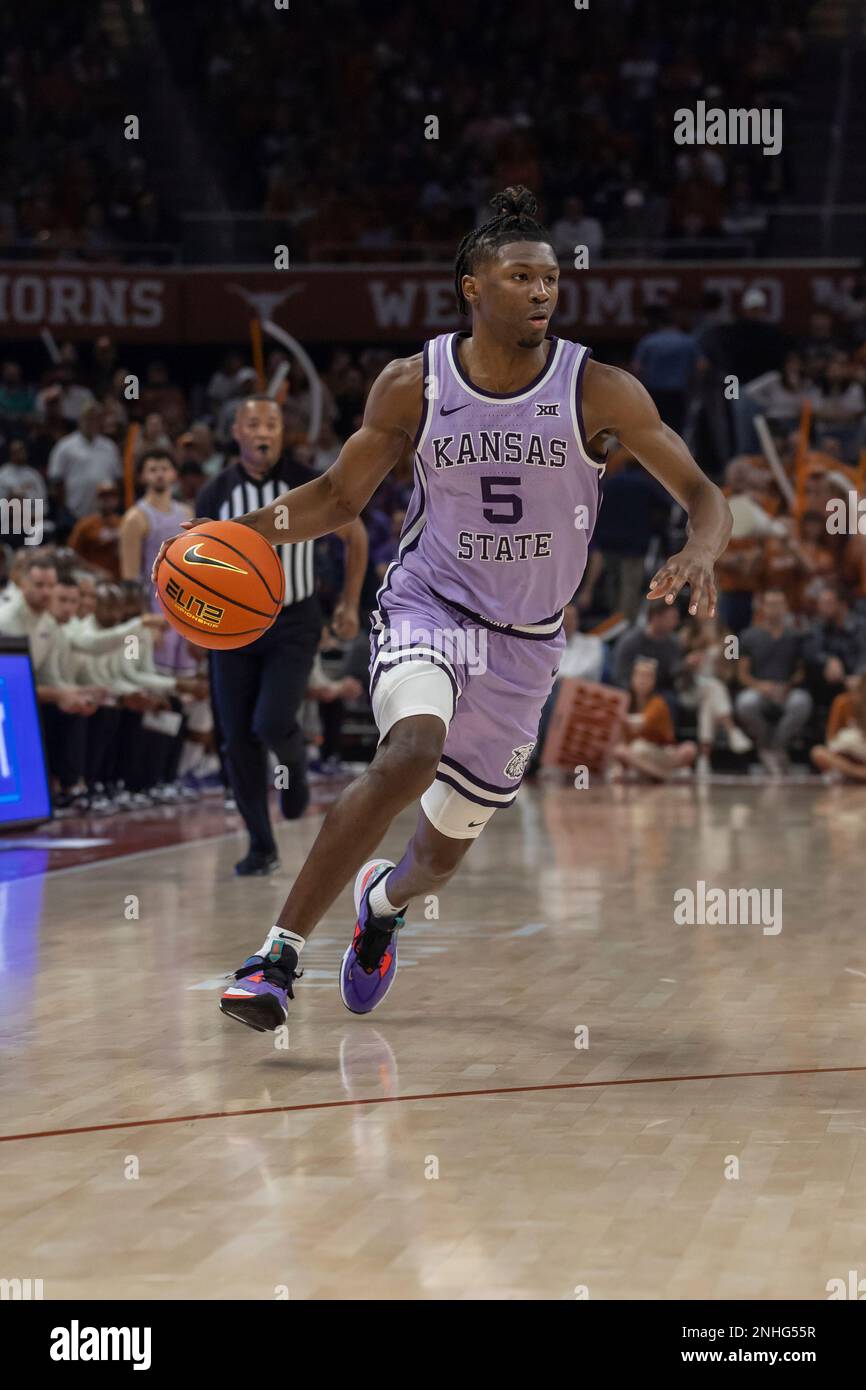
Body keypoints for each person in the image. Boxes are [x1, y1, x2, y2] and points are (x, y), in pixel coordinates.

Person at [152, 185, 731, 1032]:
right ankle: (275, 956)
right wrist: (233, 532)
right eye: (522, 276)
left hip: (527, 647)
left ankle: (380, 906)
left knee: (437, 858)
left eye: (551, 280)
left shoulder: (598, 389)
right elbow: (339, 496)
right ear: (473, 286)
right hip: (431, 605)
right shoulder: (412, 384)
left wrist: (701, 548)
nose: (542, 292)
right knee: (412, 750)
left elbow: (701, 490)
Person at [192, 394, 368, 875]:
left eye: (271, 422)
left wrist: (349, 603)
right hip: (229, 627)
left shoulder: (303, 483)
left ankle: (296, 779)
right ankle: (260, 844)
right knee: (235, 738)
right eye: (252, 423)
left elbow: (355, 537)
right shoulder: (216, 492)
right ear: (237, 433)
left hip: (293, 620)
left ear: (281, 432)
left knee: (270, 722)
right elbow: (193, 562)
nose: (262, 431)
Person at [118, 448, 197, 677]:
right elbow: (130, 579)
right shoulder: (135, 518)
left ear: (174, 474)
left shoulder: (187, 513)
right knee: (155, 683)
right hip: (155, 606)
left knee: (188, 685)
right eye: (152, 470)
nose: (159, 474)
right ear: (143, 477)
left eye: (164, 469)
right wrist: (144, 621)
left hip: (186, 604)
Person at [734, 588, 813, 776]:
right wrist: (761, 686)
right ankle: (765, 747)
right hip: (759, 689)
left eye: (779, 604)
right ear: (763, 607)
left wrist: (788, 685)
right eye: (770, 604)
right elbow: (741, 674)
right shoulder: (747, 635)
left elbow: (801, 671)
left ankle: (777, 747)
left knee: (801, 702)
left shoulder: (796, 636)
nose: (775, 608)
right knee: (745, 703)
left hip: (786, 690)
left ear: (786, 607)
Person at [611, 657, 697, 781]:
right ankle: (660, 773)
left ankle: (656, 774)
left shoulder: (658, 703)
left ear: (654, 681)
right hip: (635, 754)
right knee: (621, 751)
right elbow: (621, 741)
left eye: (647, 677)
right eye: (640, 676)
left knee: (689, 749)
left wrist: (621, 717)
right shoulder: (626, 702)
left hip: (660, 751)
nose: (643, 681)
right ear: (632, 679)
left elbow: (639, 723)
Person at [46, 401, 122, 520]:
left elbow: (117, 479)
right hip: (74, 511)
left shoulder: (110, 447)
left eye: (95, 418)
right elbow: (56, 480)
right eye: (88, 418)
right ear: (80, 420)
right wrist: (64, 508)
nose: (91, 422)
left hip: (105, 513)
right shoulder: (65, 446)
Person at [68, 480, 123, 577]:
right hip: (93, 580)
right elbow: (72, 555)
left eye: (111, 496)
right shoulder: (85, 525)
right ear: (97, 499)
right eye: (103, 497)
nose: (107, 500)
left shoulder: (124, 523)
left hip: (119, 579)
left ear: (117, 499)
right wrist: (94, 570)